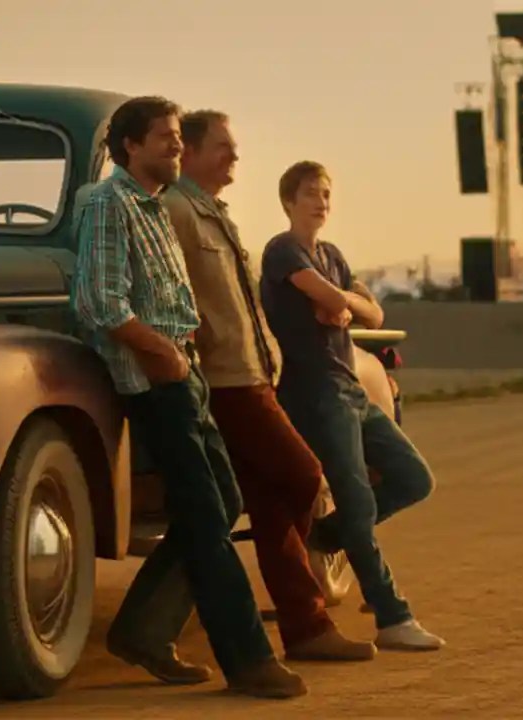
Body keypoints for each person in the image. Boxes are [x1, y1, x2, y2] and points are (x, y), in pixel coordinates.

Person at [69, 95, 306, 699]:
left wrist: (186, 339)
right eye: (166, 138)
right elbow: (99, 302)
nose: (177, 146)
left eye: (178, 136)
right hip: (153, 383)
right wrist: (162, 350)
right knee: (205, 517)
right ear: (130, 146)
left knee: (224, 499)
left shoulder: (153, 207)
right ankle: (249, 661)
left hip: (185, 373)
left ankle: (143, 630)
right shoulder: (108, 204)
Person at [157, 108, 375, 663]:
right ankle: (288, 615)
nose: (234, 156)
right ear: (194, 152)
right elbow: (173, 298)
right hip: (226, 381)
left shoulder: (214, 213)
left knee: (269, 505)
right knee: (304, 479)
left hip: (254, 374)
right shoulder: (177, 211)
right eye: (223, 147)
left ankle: (306, 629)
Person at [258, 160, 446, 651]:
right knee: (358, 498)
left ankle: (326, 535)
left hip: (350, 390)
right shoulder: (283, 251)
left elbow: (372, 311)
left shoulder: (331, 255)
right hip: (315, 392)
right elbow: (326, 297)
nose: (321, 202)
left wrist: (340, 300)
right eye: (311, 194)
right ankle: (391, 615)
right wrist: (337, 299)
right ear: (288, 202)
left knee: (413, 478)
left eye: (325, 193)